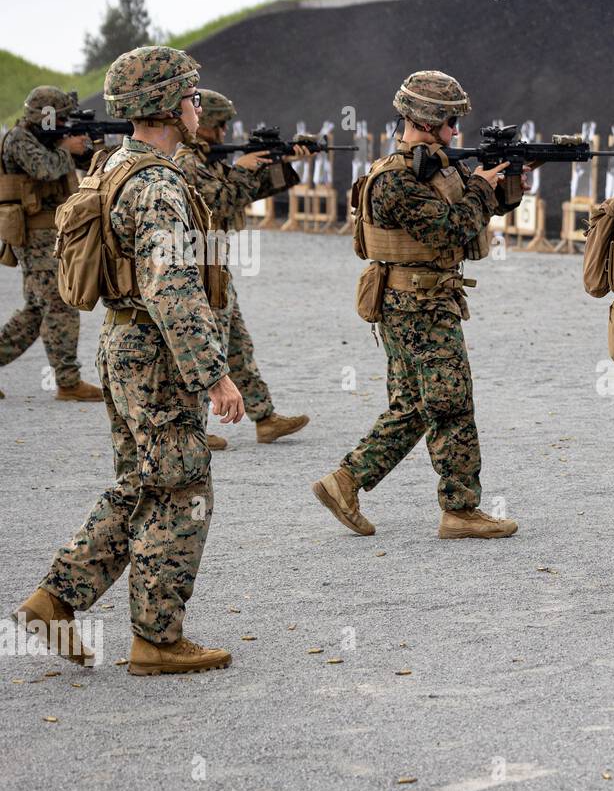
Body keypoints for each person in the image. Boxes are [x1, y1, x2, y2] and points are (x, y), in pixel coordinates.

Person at [10, 46, 243, 674]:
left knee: (145, 482)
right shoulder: (157, 184)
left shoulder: (114, 165)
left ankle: (53, 603)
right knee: (182, 488)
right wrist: (215, 375)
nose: (199, 107)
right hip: (158, 353)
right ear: (168, 105)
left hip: (124, 344)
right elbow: (171, 286)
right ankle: (157, 641)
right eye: (192, 97)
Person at [312, 70, 518, 540]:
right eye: (450, 121)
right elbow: (451, 228)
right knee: (451, 403)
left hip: (421, 301)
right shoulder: (394, 180)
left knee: (414, 405)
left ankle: (345, 482)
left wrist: (507, 177)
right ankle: (460, 510)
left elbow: (482, 206)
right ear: (430, 120)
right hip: (416, 304)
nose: (456, 131)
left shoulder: (435, 166)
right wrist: (483, 188)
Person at [174, 89, 311, 449]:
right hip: (199, 264)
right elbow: (221, 201)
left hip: (216, 263)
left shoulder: (209, 158)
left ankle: (264, 418)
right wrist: (244, 170)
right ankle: (193, 431)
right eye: (217, 125)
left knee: (237, 346)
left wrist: (280, 161)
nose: (222, 133)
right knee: (207, 347)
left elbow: (251, 191)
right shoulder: (188, 162)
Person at [0, 86, 101, 401]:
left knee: (36, 311)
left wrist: (88, 147)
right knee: (60, 304)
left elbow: (81, 161)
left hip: (48, 235)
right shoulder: (19, 139)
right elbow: (44, 169)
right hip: (34, 236)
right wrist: (66, 147)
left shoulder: (44, 139)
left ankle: (68, 380)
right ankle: (68, 382)